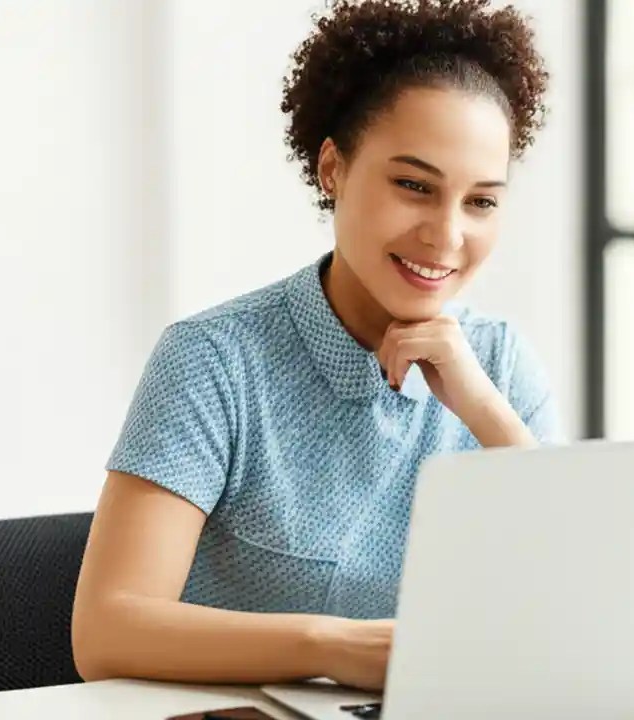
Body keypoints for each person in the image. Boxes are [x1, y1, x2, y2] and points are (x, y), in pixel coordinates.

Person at [71, 0, 556, 691]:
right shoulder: (214, 360)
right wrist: (333, 648)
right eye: (414, 186)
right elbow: (107, 631)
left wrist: (485, 411)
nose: (447, 237)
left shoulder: (501, 362)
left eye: (480, 201)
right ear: (333, 169)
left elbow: (577, 608)